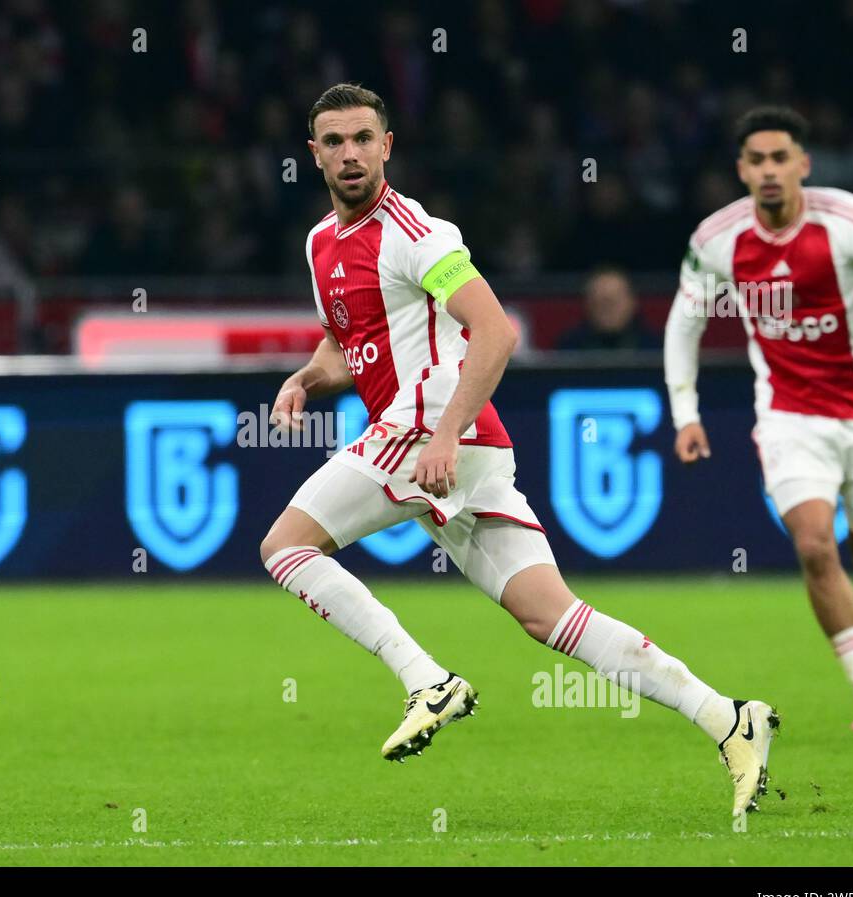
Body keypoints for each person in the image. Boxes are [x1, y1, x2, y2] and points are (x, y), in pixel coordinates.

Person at [260, 83, 776, 817]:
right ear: (313, 155)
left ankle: (425, 679)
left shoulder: (418, 233)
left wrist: (442, 434)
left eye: (363, 139)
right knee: (552, 617)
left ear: (387, 146)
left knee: (285, 548)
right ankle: (728, 718)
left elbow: (496, 332)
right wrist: (311, 375)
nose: (351, 154)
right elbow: (353, 342)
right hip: (461, 447)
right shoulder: (321, 245)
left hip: (434, 429)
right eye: (335, 142)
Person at [664, 106, 853, 731]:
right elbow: (685, 324)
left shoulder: (848, 221)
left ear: (803, 165)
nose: (768, 171)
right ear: (741, 169)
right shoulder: (717, 239)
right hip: (788, 417)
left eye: (780, 158)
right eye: (756, 160)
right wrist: (687, 414)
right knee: (815, 545)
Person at [556, 267, 659, 351]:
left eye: (614, 301)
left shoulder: (657, 349)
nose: (608, 309)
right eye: (601, 301)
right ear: (587, 304)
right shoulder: (568, 350)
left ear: (633, 302)